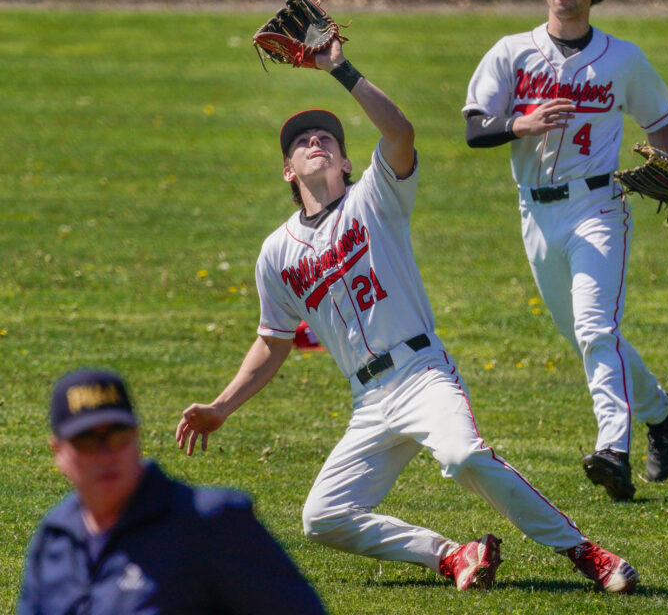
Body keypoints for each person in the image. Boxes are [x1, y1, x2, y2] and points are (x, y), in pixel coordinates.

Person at [176, 37, 638, 594]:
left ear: (346, 160)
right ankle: (452, 555)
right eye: (301, 141)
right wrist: (221, 408)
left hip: (421, 373)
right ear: (287, 171)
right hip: (367, 402)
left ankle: (585, 553)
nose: (315, 140)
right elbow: (272, 341)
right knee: (321, 517)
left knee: (463, 455)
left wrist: (340, 69)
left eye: (327, 137)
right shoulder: (276, 254)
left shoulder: (375, 197)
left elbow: (400, 133)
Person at [463, 0, 668, 501]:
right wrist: (521, 123)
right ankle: (662, 411)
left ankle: (614, 450)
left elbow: (660, 125)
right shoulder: (511, 52)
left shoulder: (622, 59)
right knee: (583, 333)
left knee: (594, 328)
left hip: (597, 207)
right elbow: (474, 127)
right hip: (535, 215)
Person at [17, 368, 326, 615]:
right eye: (86, 441)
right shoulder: (56, 539)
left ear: (137, 437)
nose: (106, 455)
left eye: (118, 436)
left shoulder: (210, 524)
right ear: (58, 452)